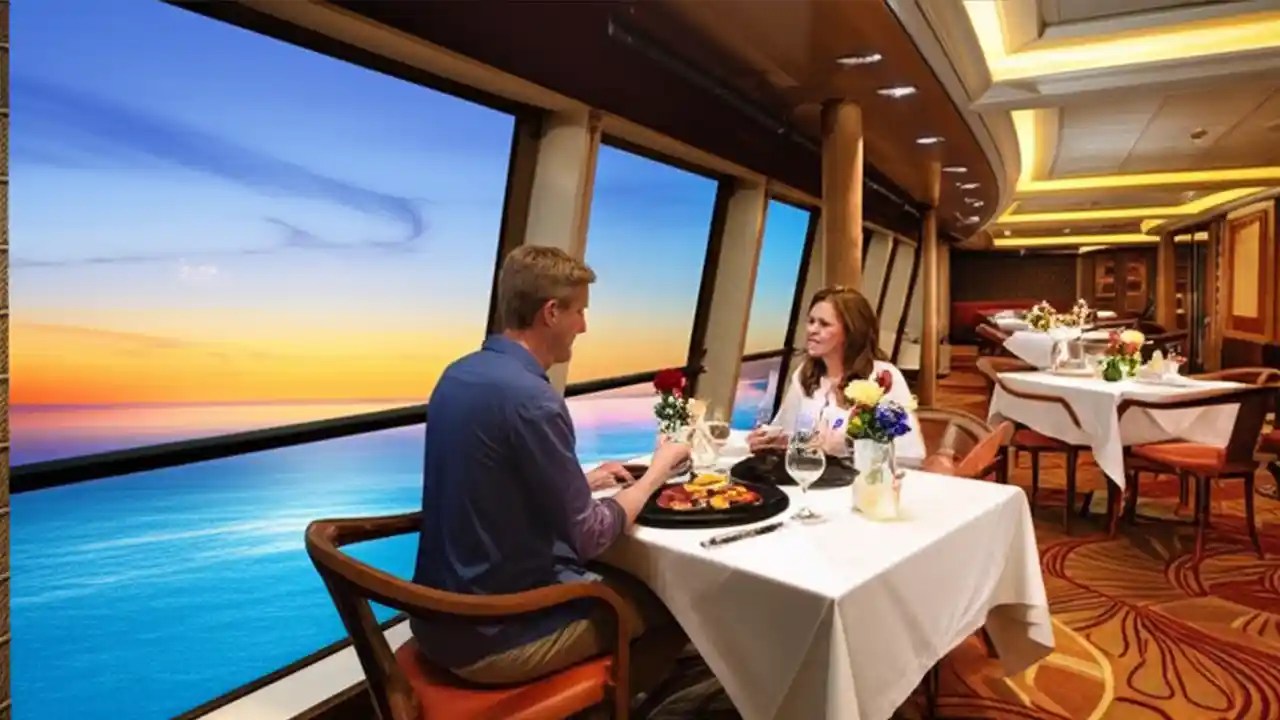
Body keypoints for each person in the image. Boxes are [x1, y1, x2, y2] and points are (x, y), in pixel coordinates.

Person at [411, 245, 690, 691]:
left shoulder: (458, 375)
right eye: (579, 312)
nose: (584, 325)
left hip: (434, 618)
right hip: (492, 637)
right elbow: (590, 535)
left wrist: (581, 483)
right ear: (551, 313)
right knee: (675, 605)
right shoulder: (533, 400)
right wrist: (658, 471)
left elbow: (488, 483)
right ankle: (610, 707)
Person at [747, 285, 926, 461]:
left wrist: (847, 448)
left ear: (850, 332)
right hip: (808, 477)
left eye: (824, 324)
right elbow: (787, 433)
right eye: (811, 321)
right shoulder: (806, 375)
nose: (812, 330)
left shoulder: (883, 378)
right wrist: (770, 440)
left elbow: (909, 456)